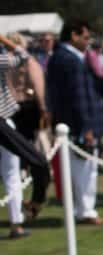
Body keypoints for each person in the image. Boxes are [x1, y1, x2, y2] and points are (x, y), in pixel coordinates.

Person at [45, 19, 103, 225]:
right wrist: (86, 127)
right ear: (73, 35)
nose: (88, 41)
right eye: (85, 37)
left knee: (77, 170)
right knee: (84, 171)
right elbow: (78, 96)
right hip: (78, 125)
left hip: (69, 123)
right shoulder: (70, 60)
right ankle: (85, 211)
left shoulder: (61, 57)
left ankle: (79, 209)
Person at [0, 33, 52, 239]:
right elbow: (23, 56)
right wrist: (4, 40)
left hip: (6, 120)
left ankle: (22, 216)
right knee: (35, 164)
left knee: (16, 172)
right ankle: (30, 209)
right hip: (2, 122)